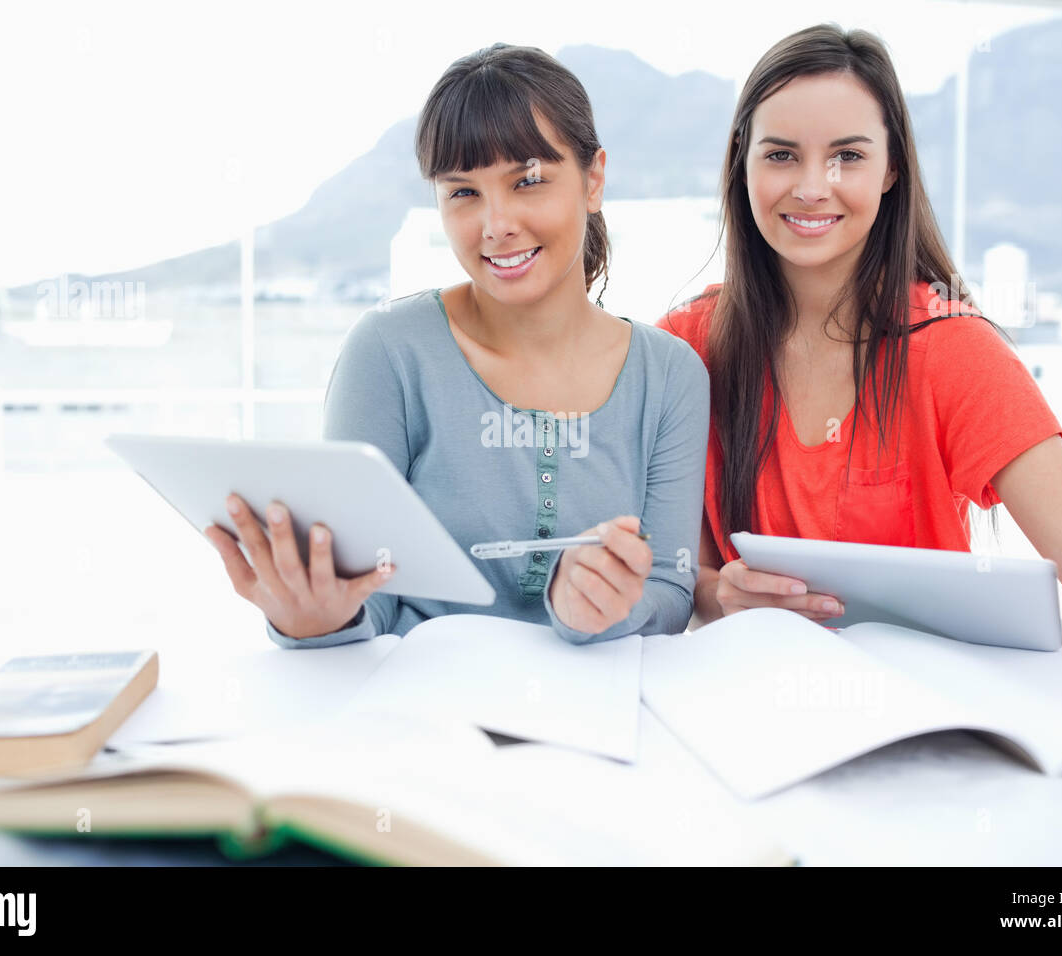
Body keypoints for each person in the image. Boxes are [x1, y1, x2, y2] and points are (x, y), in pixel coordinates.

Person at [658, 24, 1062, 729]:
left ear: (892, 168)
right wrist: (718, 595)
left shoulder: (952, 349)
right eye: (782, 155)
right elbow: (678, 577)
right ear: (740, 163)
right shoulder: (683, 348)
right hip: (753, 718)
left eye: (848, 155)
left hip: (928, 723)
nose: (814, 187)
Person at [206, 43, 709, 647]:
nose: (495, 224)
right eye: (463, 193)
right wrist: (318, 617)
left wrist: (593, 608)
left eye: (528, 181)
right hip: (420, 715)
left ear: (594, 178)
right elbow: (372, 594)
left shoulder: (671, 375)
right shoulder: (389, 354)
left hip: (601, 711)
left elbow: (672, 592)